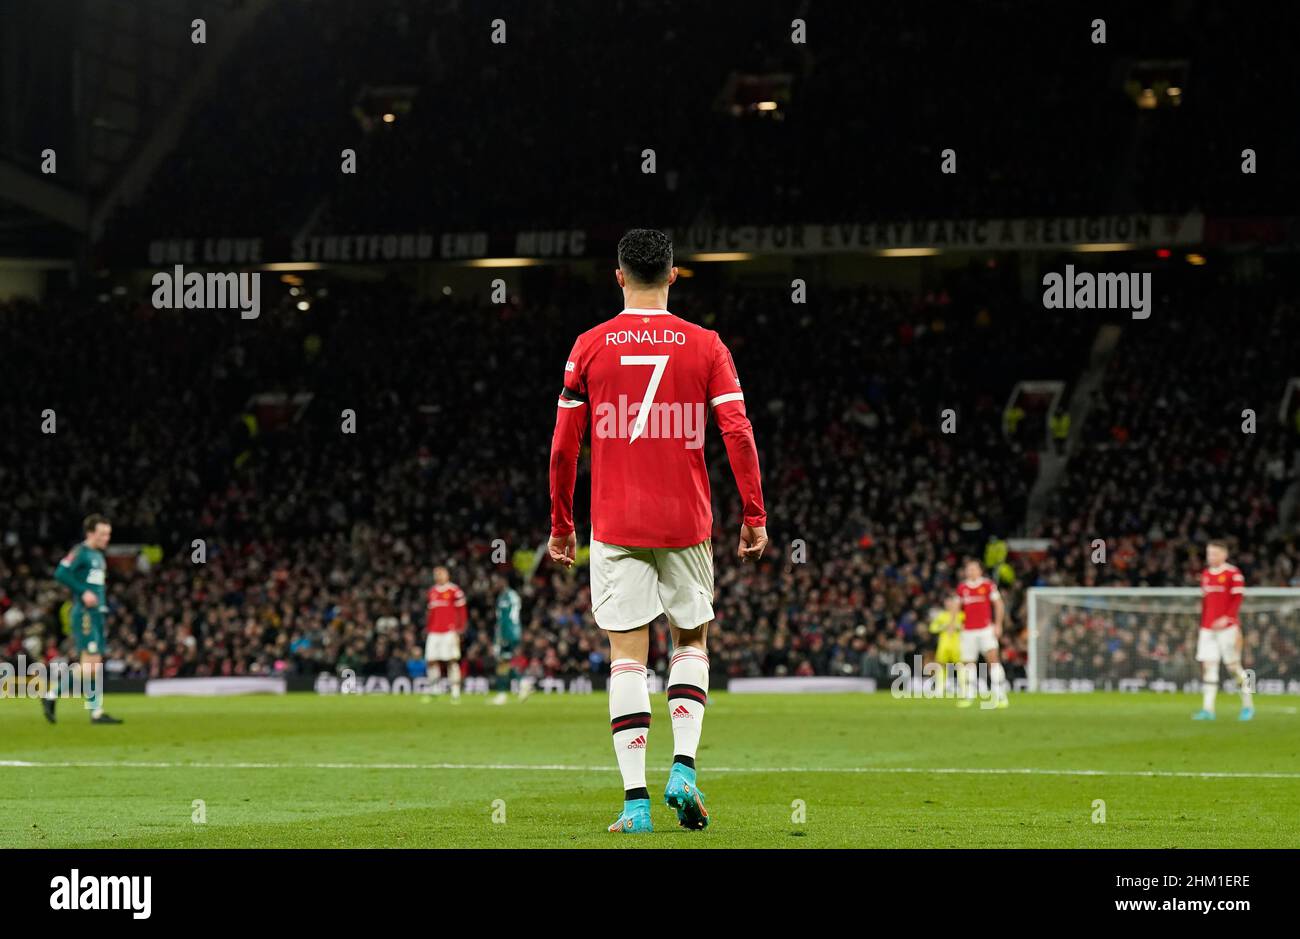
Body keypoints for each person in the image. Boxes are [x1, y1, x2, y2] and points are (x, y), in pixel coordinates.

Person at [548, 229, 767, 834]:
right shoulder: (706, 345)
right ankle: (684, 770)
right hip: (686, 524)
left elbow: (565, 447)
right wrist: (755, 514)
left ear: (618, 276)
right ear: (674, 276)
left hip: (615, 524)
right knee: (691, 643)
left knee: (626, 658)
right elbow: (738, 432)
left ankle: (636, 805)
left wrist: (561, 525)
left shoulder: (589, 346)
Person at [47, 514, 123, 724]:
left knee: (94, 665)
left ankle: (96, 712)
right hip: (85, 614)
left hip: (97, 613)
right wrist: (83, 592)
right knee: (89, 665)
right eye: (102, 534)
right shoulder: (81, 552)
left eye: (108, 534)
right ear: (90, 533)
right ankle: (53, 695)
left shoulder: (99, 556)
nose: (106, 538)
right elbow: (61, 573)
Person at [1192, 540, 1253, 721]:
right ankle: (1208, 710)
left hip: (1227, 629)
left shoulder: (1233, 574)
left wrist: (1228, 617)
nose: (1210, 557)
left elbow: (1237, 599)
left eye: (1214, 554)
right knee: (1209, 667)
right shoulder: (1205, 574)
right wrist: (1203, 623)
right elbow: (1206, 602)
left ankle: (1248, 706)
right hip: (1208, 629)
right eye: (1209, 553)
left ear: (1224, 555)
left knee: (1234, 667)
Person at [955, 558, 1008, 709]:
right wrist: (954, 624)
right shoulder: (962, 588)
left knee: (993, 661)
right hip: (968, 631)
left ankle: (1000, 696)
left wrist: (998, 625)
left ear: (980, 570)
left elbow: (998, 605)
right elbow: (956, 606)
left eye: (973, 568)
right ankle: (969, 695)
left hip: (985, 629)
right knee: (968, 663)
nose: (970, 571)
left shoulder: (987, 585)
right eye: (968, 569)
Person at [423, 565, 467, 703]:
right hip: (434, 631)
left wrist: (460, 628)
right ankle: (434, 690)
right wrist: (428, 627)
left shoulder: (454, 590)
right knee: (431, 660)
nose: (439, 576)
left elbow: (462, 611)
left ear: (447, 575)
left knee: (452, 660)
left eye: (441, 573)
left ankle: (455, 692)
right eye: (436, 574)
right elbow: (431, 613)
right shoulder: (432, 592)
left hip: (449, 631)